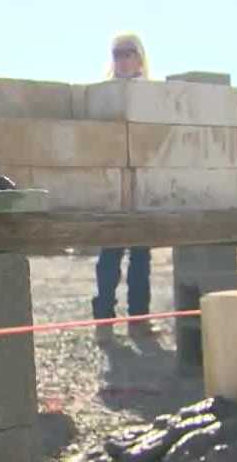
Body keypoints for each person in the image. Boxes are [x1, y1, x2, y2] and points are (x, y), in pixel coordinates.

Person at [92, 33, 156, 343]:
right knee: (109, 257)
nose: (123, 59)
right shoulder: (102, 94)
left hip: (144, 184)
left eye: (129, 52)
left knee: (141, 259)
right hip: (112, 185)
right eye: (117, 53)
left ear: (140, 57)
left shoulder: (153, 95)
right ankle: (103, 322)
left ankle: (138, 321)